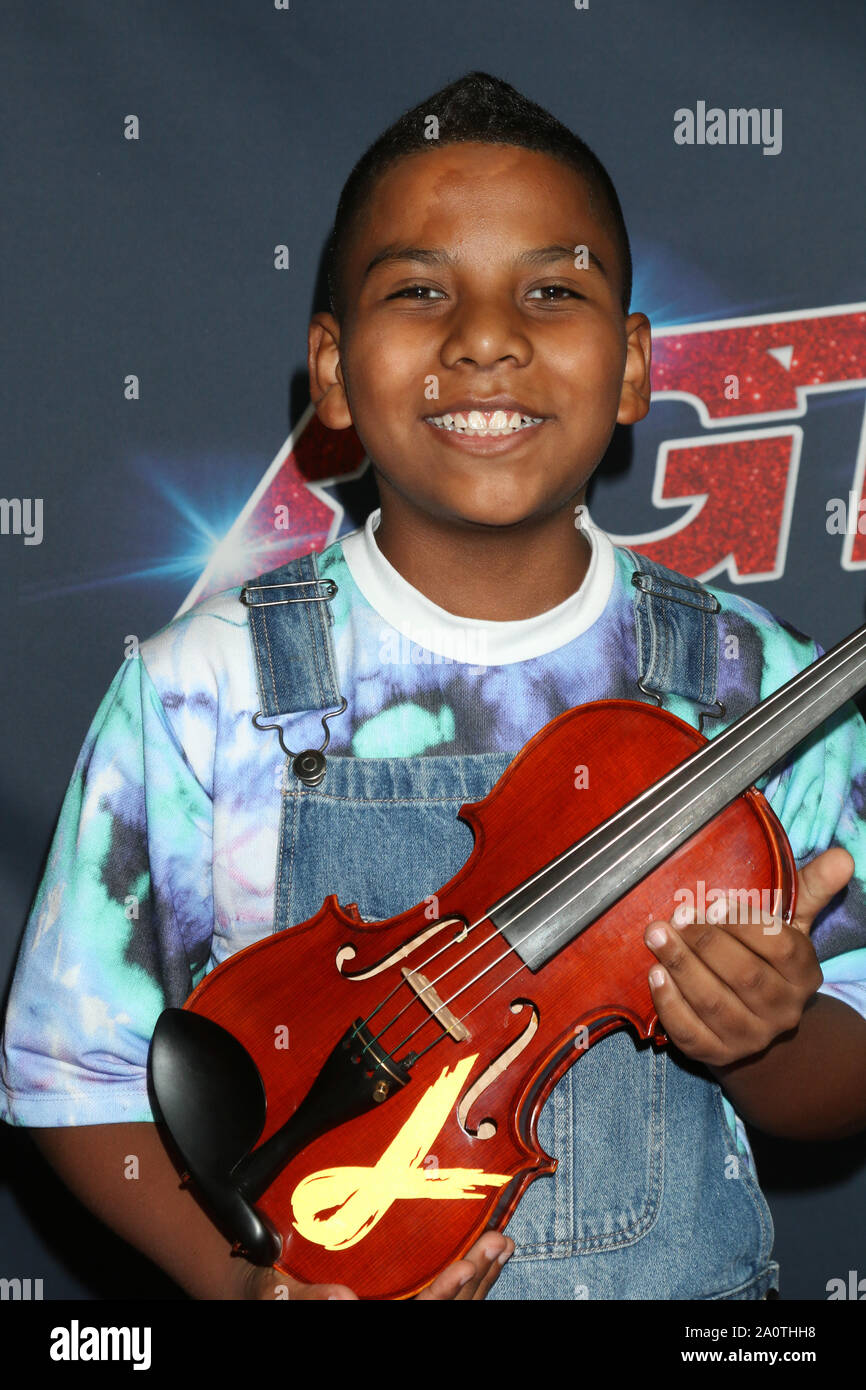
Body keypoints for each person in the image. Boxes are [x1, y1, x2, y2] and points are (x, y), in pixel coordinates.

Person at [2, 71, 866, 1302]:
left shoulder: (758, 689)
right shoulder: (203, 686)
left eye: (551, 291)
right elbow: (72, 1078)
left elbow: (844, 1069)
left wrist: (765, 1033)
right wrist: (241, 1287)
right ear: (335, 374)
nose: (484, 335)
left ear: (630, 371)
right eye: (418, 291)